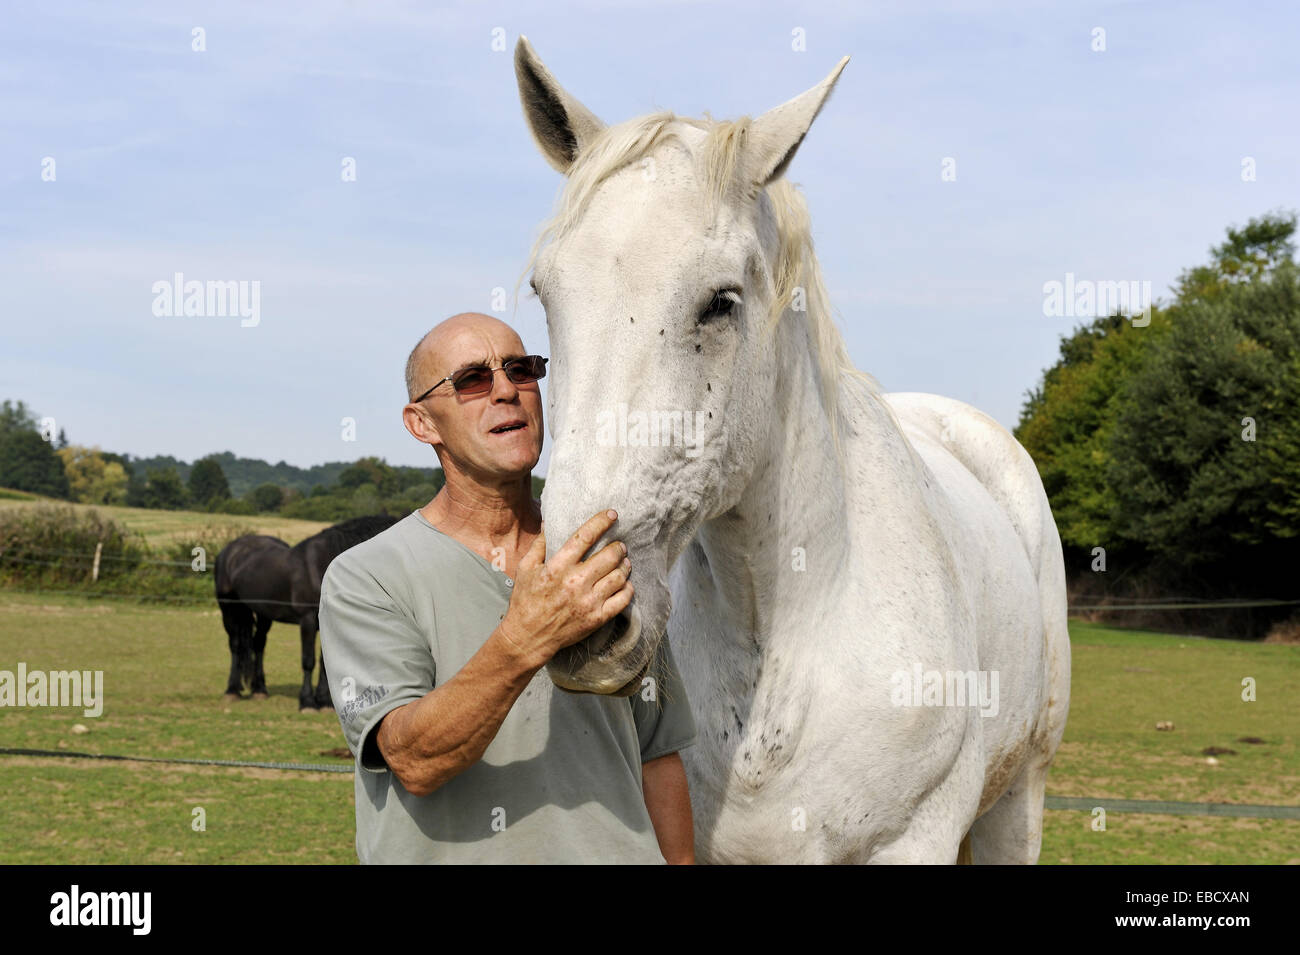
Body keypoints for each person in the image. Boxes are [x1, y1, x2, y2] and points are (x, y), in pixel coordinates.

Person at [318, 312, 697, 864]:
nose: (506, 391)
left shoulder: (601, 557)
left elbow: (658, 754)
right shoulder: (366, 576)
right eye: (472, 379)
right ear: (422, 423)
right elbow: (414, 760)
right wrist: (524, 640)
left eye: (522, 370)